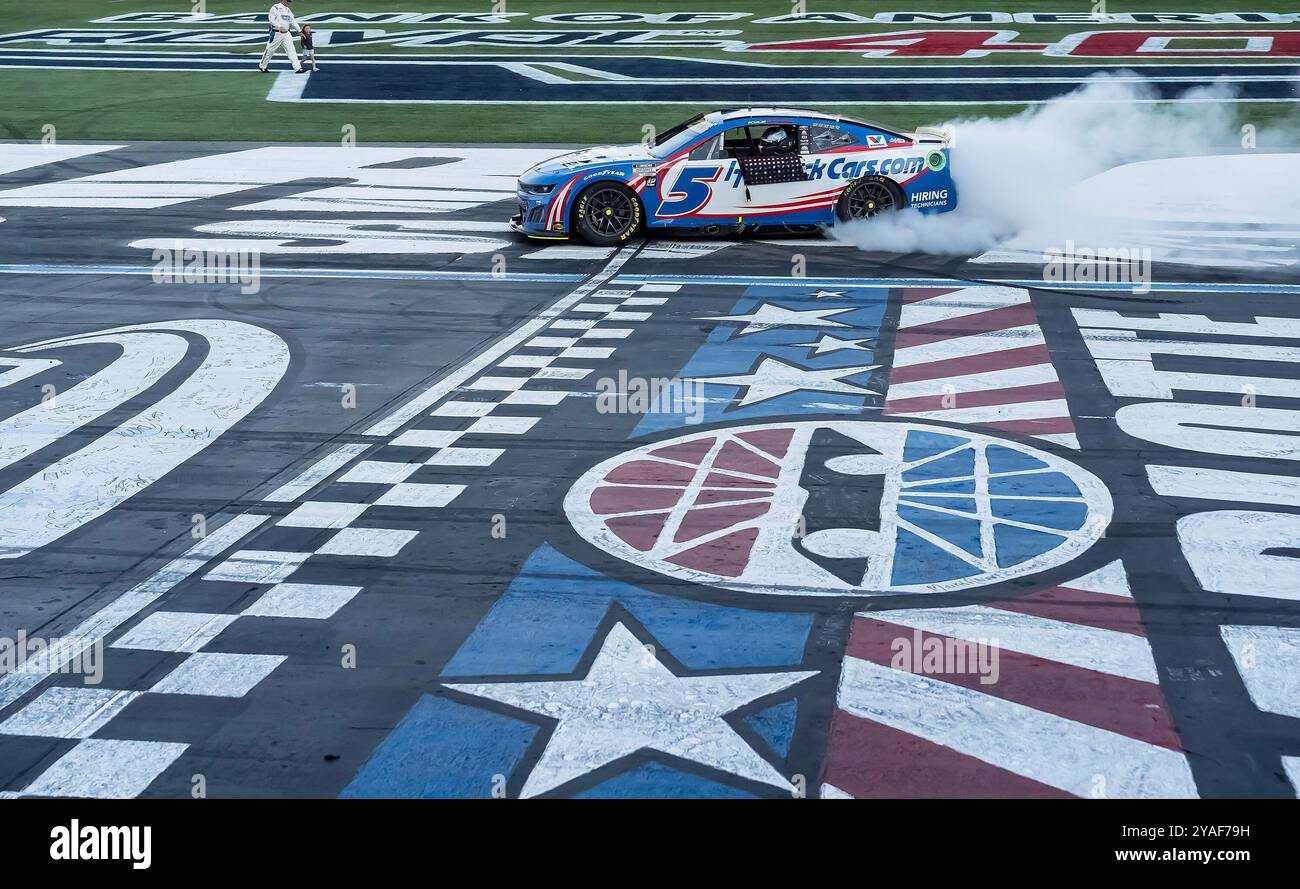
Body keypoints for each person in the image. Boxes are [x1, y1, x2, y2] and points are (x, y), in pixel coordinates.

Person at [258, 1, 307, 74]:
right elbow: (271, 19)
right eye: (288, 1)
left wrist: (299, 31)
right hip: (276, 33)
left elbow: (293, 21)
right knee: (270, 50)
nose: (289, 2)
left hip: (287, 33)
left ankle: (298, 68)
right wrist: (279, 26)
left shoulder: (288, 10)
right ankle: (262, 66)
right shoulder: (275, 7)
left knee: (291, 50)